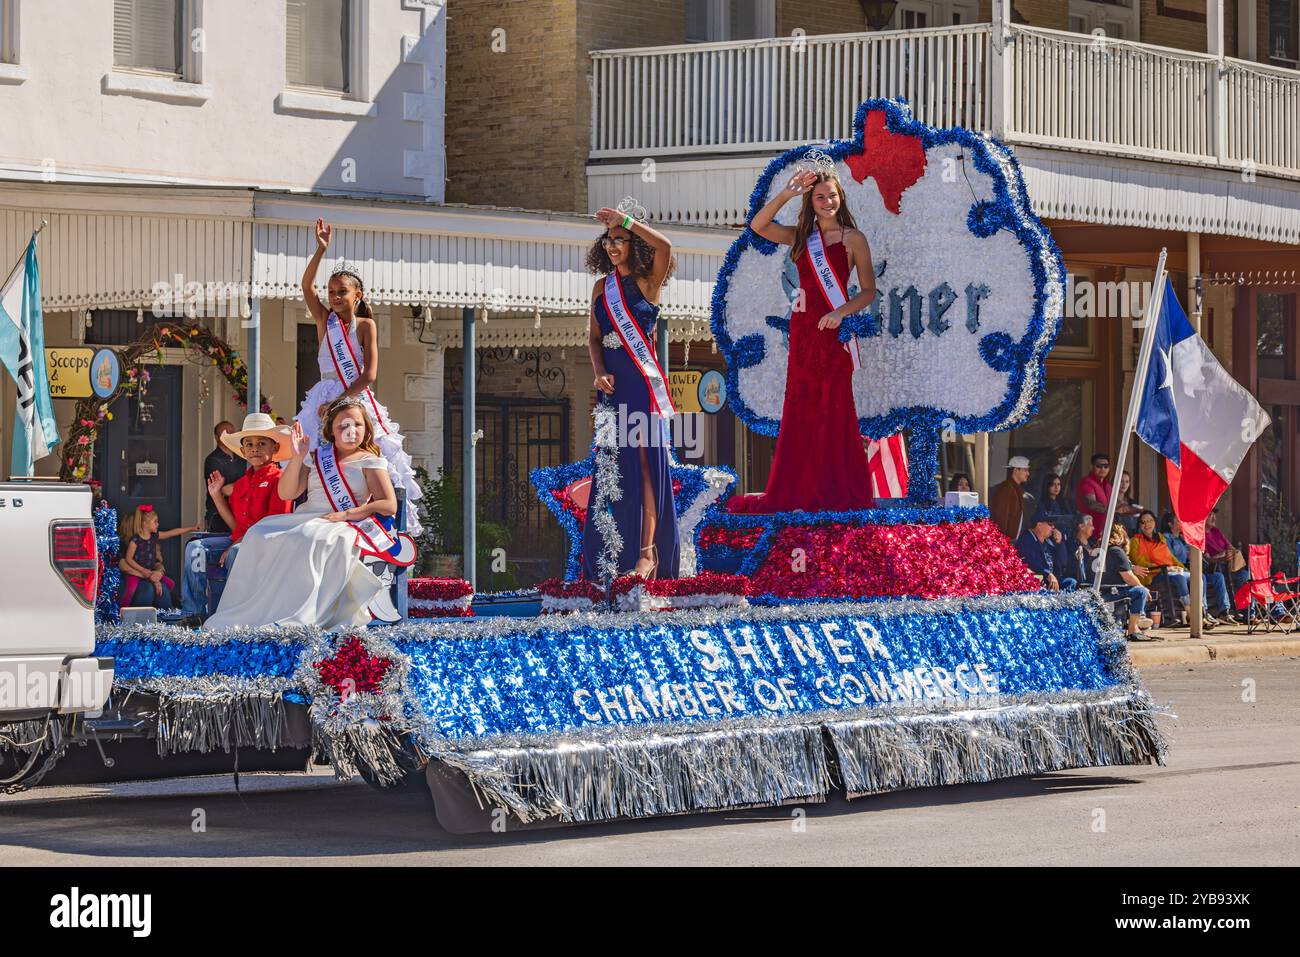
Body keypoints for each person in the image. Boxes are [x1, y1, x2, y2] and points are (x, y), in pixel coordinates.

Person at [726, 165, 876, 514]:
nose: (827, 202)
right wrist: (786, 193)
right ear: (811, 201)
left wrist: (841, 313)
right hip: (804, 333)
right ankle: (801, 492)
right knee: (801, 411)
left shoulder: (854, 239)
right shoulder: (801, 237)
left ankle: (833, 493)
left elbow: (868, 291)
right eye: (820, 197)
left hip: (832, 333)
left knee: (835, 411)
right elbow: (758, 226)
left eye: (832, 196)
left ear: (842, 197)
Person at [206, 398, 395, 629]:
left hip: (342, 520)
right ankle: (257, 612)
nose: (351, 431)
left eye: (357, 425)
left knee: (312, 538)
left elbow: (388, 504)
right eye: (343, 426)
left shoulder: (369, 460)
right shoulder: (316, 456)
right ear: (331, 430)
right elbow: (287, 493)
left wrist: (347, 514)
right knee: (259, 533)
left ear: (365, 428)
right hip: (308, 516)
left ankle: (299, 614)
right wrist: (296, 457)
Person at [295, 218, 421, 535]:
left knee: (377, 456)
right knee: (308, 456)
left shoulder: (366, 326)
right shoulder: (325, 321)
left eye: (342, 292)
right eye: (332, 292)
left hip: (352, 399)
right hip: (323, 395)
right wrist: (320, 250)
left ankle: (380, 524)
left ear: (358, 294)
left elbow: (369, 375)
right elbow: (305, 287)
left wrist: (338, 405)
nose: (335, 297)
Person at [581, 206, 679, 580]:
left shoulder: (648, 282)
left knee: (643, 468)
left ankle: (646, 553)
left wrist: (627, 221)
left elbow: (666, 245)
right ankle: (610, 556)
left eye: (619, 239)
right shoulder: (600, 288)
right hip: (612, 389)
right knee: (610, 469)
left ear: (634, 243)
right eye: (608, 240)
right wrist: (599, 371)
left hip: (641, 387)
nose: (612, 245)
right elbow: (593, 338)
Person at [178, 413, 296, 618]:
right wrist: (216, 495)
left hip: (265, 545)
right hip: (238, 540)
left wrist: (237, 543)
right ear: (242, 451)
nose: (255, 448)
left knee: (235, 553)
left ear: (275, 448)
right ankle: (193, 614)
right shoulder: (242, 483)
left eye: (261, 443)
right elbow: (235, 525)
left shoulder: (280, 479)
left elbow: (273, 525)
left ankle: (233, 615)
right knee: (195, 548)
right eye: (249, 444)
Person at [1129, 509, 1202, 629]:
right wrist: (1165, 569)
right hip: (1153, 575)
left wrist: (1184, 569)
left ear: (1155, 523)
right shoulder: (1135, 541)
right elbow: (1140, 562)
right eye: (1144, 522)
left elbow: (1171, 557)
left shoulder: (1160, 538)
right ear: (1140, 525)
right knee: (1179, 578)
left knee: (1198, 577)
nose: (1147, 524)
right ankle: (1190, 613)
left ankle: (1202, 611)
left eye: (1150, 521)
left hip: (1169, 571)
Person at [118, 505, 198, 609]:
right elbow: (125, 564)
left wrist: (158, 573)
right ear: (144, 524)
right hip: (135, 577)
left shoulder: (152, 539)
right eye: (155, 522)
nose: (158, 524)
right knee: (147, 589)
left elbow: (157, 561)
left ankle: (168, 616)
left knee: (166, 587)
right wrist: (151, 577)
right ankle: (125, 614)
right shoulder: (132, 542)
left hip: (149, 574)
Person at [1163, 512, 1230, 623]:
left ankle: (1213, 611)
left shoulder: (1182, 539)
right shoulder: (1166, 538)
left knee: (1215, 576)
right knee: (1199, 576)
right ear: (1170, 524)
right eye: (1178, 520)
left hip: (1188, 569)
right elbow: (1168, 556)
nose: (1182, 523)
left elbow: (1192, 555)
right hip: (1175, 570)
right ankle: (1199, 613)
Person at [1100, 523, 1158, 641]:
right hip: (1111, 592)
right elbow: (1128, 577)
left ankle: (1138, 618)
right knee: (1140, 591)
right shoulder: (1116, 550)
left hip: (1099, 591)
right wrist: (1144, 588)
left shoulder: (1099, 549)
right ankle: (1133, 628)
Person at [202, 421, 246, 534]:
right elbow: (224, 490)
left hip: (240, 513)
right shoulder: (213, 460)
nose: (228, 435)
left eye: (231, 432)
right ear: (216, 437)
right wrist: (249, 483)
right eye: (224, 433)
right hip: (218, 515)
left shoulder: (242, 457)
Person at [1014, 510, 1074, 591]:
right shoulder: (1026, 540)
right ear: (1039, 525)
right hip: (1037, 583)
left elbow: (1063, 562)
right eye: (1050, 524)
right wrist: (1048, 573)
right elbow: (1031, 562)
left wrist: (1060, 543)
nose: (1053, 527)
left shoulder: (1049, 541)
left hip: (1052, 581)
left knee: (1071, 582)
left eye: (1054, 525)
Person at [991, 456, 1032, 540]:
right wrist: (1001, 541)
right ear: (1016, 470)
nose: (1028, 474)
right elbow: (1001, 518)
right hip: (1006, 541)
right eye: (1025, 470)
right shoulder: (1006, 489)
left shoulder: (1016, 489)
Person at [1074, 452, 1113, 537]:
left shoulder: (1108, 485)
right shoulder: (1086, 482)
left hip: (1106, 536)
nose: (1102, 469)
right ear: (1091, 467)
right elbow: (1091, 504)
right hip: (1089, 536)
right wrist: (1113, 510)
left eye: (1105, 466)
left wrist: (1139, 511)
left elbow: (1118, 504)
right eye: (1098, 466)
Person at [1057, 513, 1095, 586]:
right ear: (1081, 527)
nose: (1093, 528)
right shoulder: (1071, 545)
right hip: (1080, 584)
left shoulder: (1093, 543)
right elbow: (1071, 568)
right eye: (1090, 525)